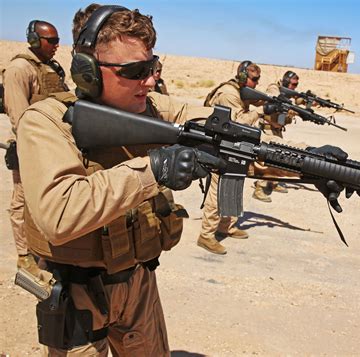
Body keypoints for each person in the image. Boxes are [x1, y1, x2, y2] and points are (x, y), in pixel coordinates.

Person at [16, 4, 215, 355]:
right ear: (87, 71)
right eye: (136, 71)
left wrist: (300, 159)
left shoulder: (150, 108)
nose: (150, 80)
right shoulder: (46, 121)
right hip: (78, 290)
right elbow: (59, 215)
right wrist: (154, 169)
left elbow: (207, 124)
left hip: (138, 279)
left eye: (153, 67)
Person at [2, 20, 69, 276]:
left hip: (52, 147)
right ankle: (23, 256)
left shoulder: (50, 67)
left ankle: (42, 250)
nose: (56, 45)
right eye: (50, 40)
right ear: (34, 40)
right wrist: (31, 152)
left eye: (56, 39)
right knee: (22, 201)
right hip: (29, 148)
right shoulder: (19, 69)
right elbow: (19, 118)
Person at [196, 60, 269, 254]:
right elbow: (237, 123)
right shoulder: (229, 93)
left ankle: (226, 226)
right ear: (244, 77)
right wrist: (260, 112)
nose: (257, 83)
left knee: (234, 184)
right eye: (254, 79)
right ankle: (206, 235)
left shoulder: (239, 93)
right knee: (218, 189)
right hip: (217, 147)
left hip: (231, 147)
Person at [252, 70, 302, 202]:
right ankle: (260, 188)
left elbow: (298, 99)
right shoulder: (274, 87)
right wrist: (282, 101)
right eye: (293, 84)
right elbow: (273, 95)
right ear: (285, 82)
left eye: (296, 85)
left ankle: (273, 183)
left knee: (279, 158)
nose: (294, 87)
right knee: (267, 160)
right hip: (268, 130)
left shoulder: (288, 93)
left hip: (277, 131)